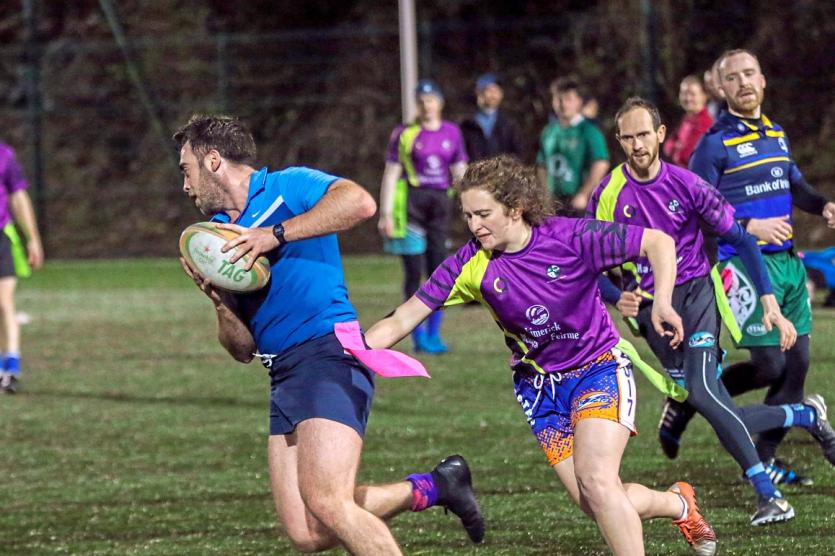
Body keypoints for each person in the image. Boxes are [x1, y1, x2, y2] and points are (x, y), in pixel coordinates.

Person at [365, 154, 719, 556]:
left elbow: (659, 242)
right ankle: (678, 504)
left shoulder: (571, 238)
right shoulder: (470, 264)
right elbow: (402, 318)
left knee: (597, 481)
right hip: (540, 391)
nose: (474, 226)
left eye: (483, 214)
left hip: (597, 369)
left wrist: (662, 304)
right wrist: (349, 351)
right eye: (466, 216)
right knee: (595, 501)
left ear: (515, 209)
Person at [173, 114, 483, 554]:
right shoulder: (220, 238)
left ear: (214, 161)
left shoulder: (286, 186)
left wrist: (274, 234)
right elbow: (242, 350)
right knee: (308, 532)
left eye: (187, 170)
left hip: (327, 353)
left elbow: (359, 203)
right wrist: (219, 301)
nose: (185, 186)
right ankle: (437, 486)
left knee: (327, 500)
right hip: (281, 373)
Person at [589, 96, 835, 526]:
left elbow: (741, 240)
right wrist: (615, 295)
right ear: (619, 140)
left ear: (661, 134)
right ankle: (805, 415)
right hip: (651, 314)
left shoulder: (687, 185)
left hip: (696, 298)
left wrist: (769, 302)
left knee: (702, 391)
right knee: (712, 403)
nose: (636, 144)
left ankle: (768, 495)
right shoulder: (607, 195)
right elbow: (587, 266)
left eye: (644, 134)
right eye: (627, 137)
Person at [659, 49, 835, 485]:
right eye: (732, 77)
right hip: (741, 265)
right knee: (772, 365)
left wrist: (823, 205)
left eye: (750, 73)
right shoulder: (713, 144)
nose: (743, 82)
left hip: (788, 266)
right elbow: (696, 212)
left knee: (797, 366)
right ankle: (691, 402)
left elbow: (795, 186)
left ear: (763, 79)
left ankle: (766, 457)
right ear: (720, 88)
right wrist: (749, 224)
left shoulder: (776, 133)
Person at [378, 79, 468, 354]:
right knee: (413, 272)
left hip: (440, 205)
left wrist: (470, 205)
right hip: (412, 206)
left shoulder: (452, 132)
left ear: (439, 103)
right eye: (421, 101)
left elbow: (460, 171)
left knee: (438, 272)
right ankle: (415, 333)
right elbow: (391, 173)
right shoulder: (404, 133)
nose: (426, 105)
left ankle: (434, 334)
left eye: (431, 100)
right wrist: (386, 214)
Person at [0, 142, 44, 394]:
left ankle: (11, 369)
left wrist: (33, 238)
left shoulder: (4, 155)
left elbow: (18, 196)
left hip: (1, 238)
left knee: (4, 303)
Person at [536, 76, 610, 213]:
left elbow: (601, 163)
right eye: (558, 99)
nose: (563, 104)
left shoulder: (589, 131)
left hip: (577, 202)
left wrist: (584, 193)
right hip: (552, 202)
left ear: (579, 102)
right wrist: (544, 194)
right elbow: (542, 164)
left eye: (569, 99)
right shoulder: (549, 131)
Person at [459, 73, 524, 162]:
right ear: (479, 93)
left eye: (497, 91)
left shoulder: (509, 125)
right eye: (489, 90)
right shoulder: (467, 126)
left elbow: (518, 155)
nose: (493, 95)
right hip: (475, 174)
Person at [663, 75, 713, 168]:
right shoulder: (686, 119)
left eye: (692, 94)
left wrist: (677, 148)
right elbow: (667, 146)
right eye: (684, 93)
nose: (688, 98)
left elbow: (686, 156)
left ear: (703, 96)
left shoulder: (705, 123)